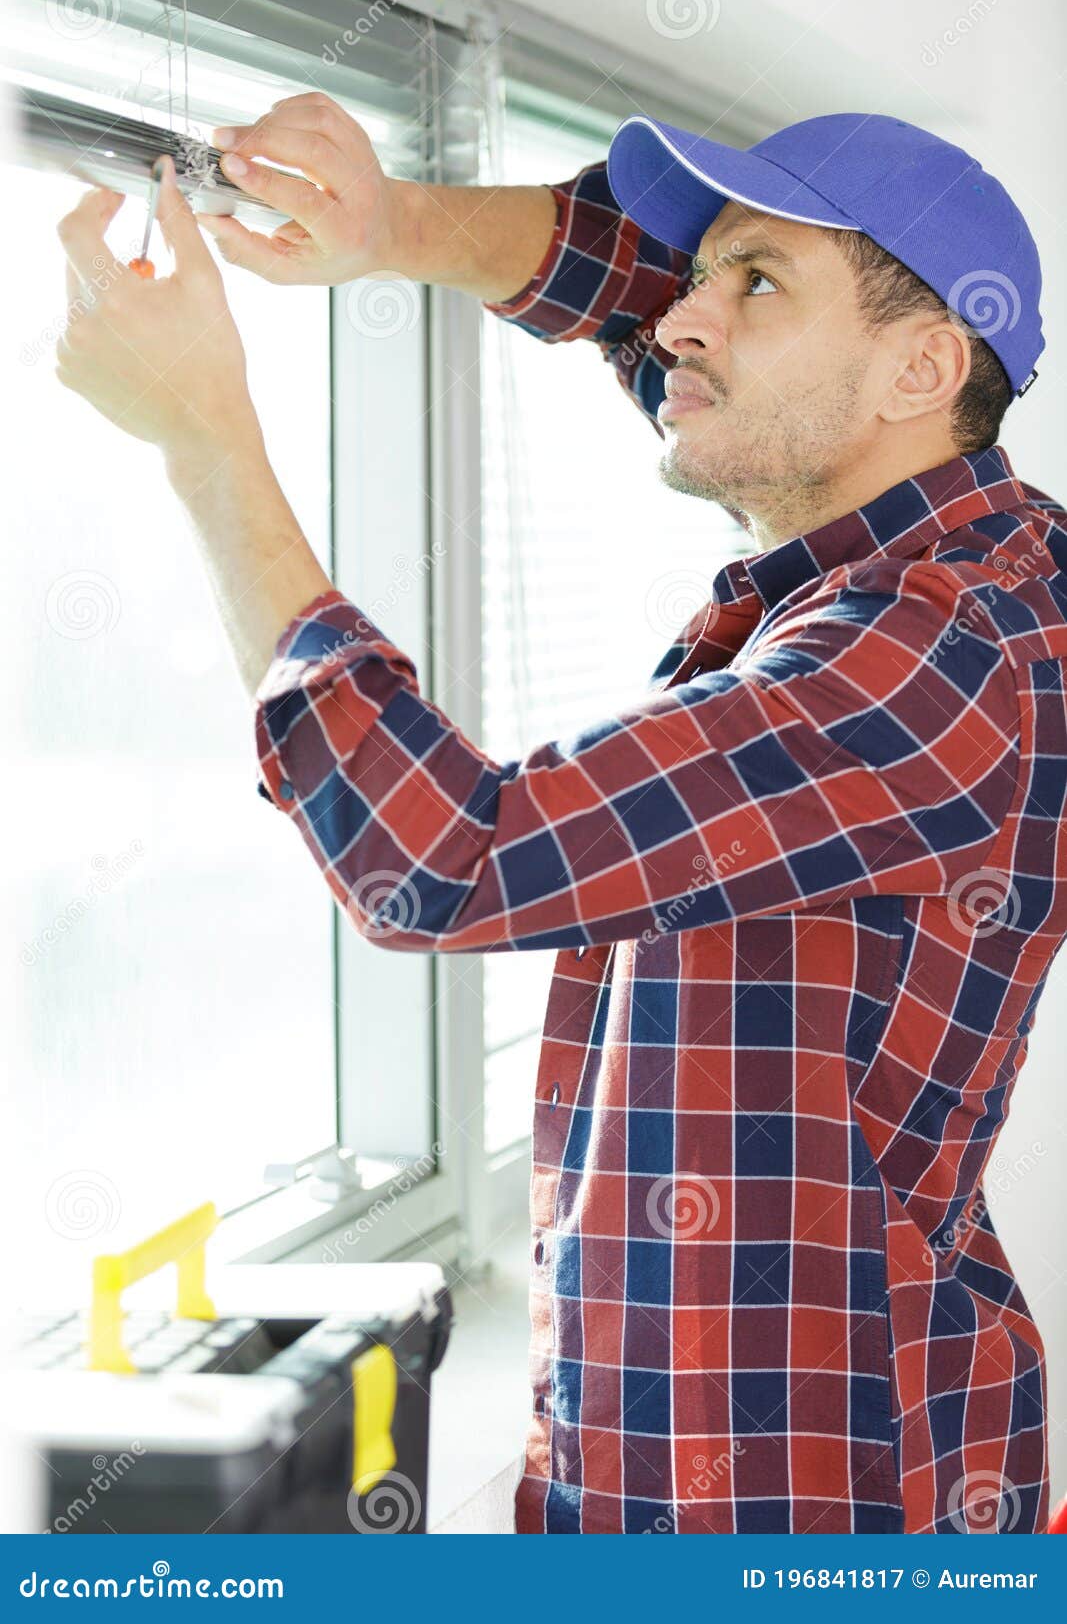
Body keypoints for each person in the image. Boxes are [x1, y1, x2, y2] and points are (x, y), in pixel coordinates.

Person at [54, 99, 1061, 1535]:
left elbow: (440, 856)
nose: (681, 326)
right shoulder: (971, 544)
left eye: (754, 280)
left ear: (921, 364)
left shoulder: (925, 658)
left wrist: (205, 437)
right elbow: (634, 290)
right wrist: (384, 222)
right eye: (700, 276)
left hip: (807, 1503)